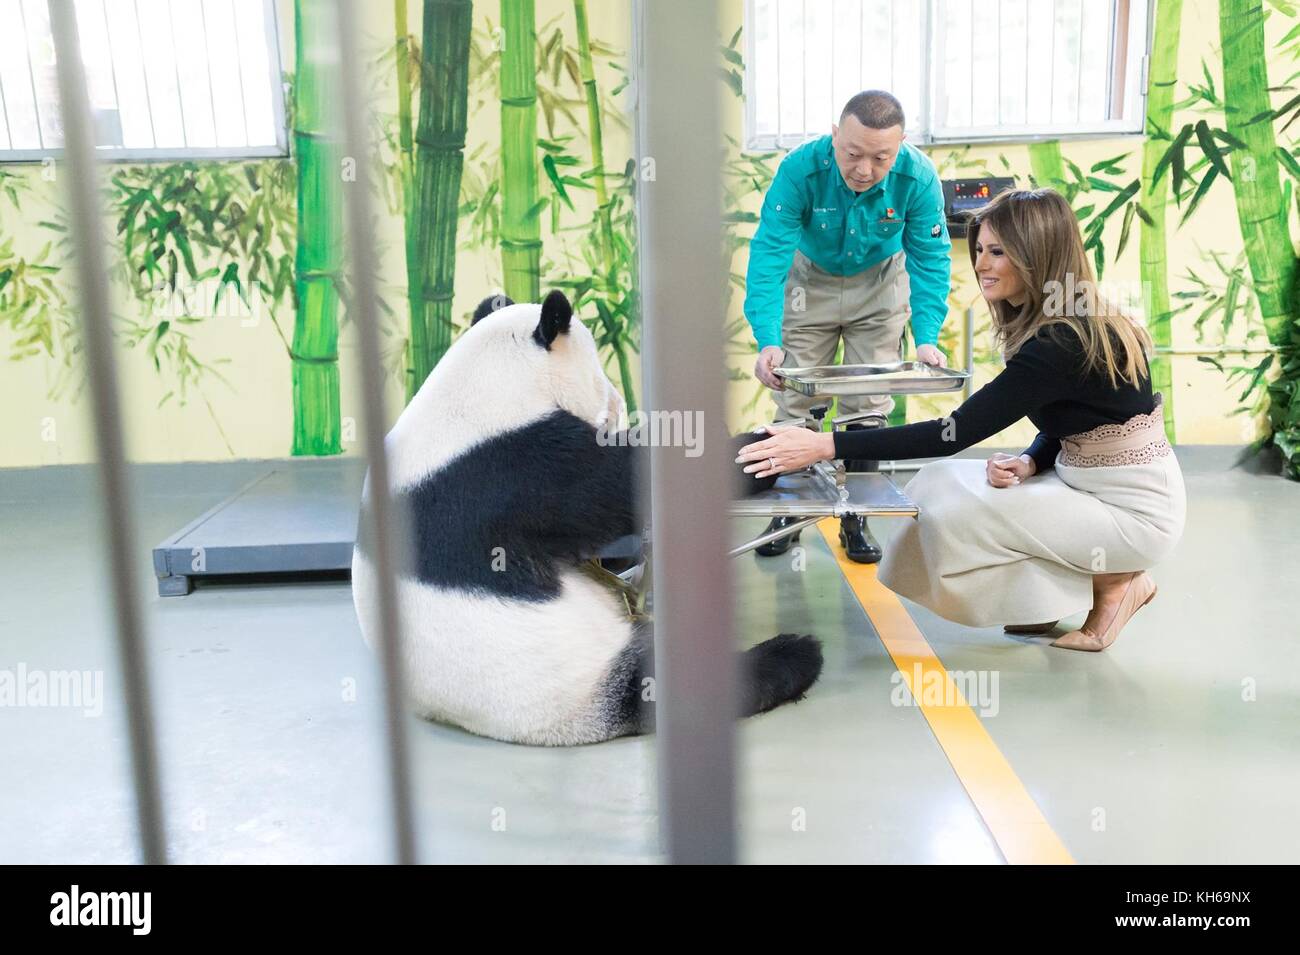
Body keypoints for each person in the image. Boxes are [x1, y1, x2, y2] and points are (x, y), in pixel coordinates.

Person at [736, 188, 1186, 652]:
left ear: (1037, 256)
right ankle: (1043, 600)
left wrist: (826, 446)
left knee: (963, 515)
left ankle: (1115, 584)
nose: (980, 264)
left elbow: (955, 432)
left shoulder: (1061, 343)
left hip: (1132, 513)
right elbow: (1075, 418)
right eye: (979, 250)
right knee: (939, 483)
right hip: (1087, 486)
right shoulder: (1070, 323)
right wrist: (1032, 460)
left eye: (997, 252)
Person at [743, 90, 952, 564]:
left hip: (879, 287)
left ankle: (855, 515)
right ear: (835, 135)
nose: (864, 169)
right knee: (796, 395)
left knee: (866, 401)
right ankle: (789, 514)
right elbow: (770, 251)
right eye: (852, 153)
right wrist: (768, 337)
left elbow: (930, 258)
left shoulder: (917, 177)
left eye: (881, 157)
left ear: (900, 146)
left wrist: (926, 337)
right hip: (808, 283)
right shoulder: (800, 169)